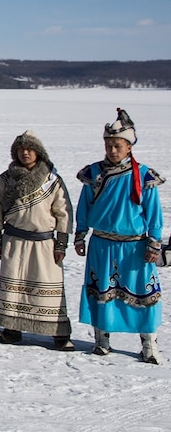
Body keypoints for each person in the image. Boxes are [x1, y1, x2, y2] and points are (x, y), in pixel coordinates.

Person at [74, 109, 163, 362]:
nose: (113, 150)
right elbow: (84, 207)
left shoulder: (143, 176)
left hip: (135, 247)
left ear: (129, 146)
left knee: (143, 294)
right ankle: (102, 340)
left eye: (118, 145)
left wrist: (154, 242)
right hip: (102, 244)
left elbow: (153, 214)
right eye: (109, 145)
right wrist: (80, 235)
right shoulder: (94, 174)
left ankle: (149, 345)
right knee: (102, 290)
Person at [0, 130, 73, 350]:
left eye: (30, 149)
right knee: (14, 288)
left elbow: (63, 211)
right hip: (14, 240)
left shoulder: (51, 180)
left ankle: (58, 333)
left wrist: (61, 242)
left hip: (44, 242)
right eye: (21, 149)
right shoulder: (5, 180)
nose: (25, 153)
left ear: (38, 152)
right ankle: (11, 329)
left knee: (49, 289)